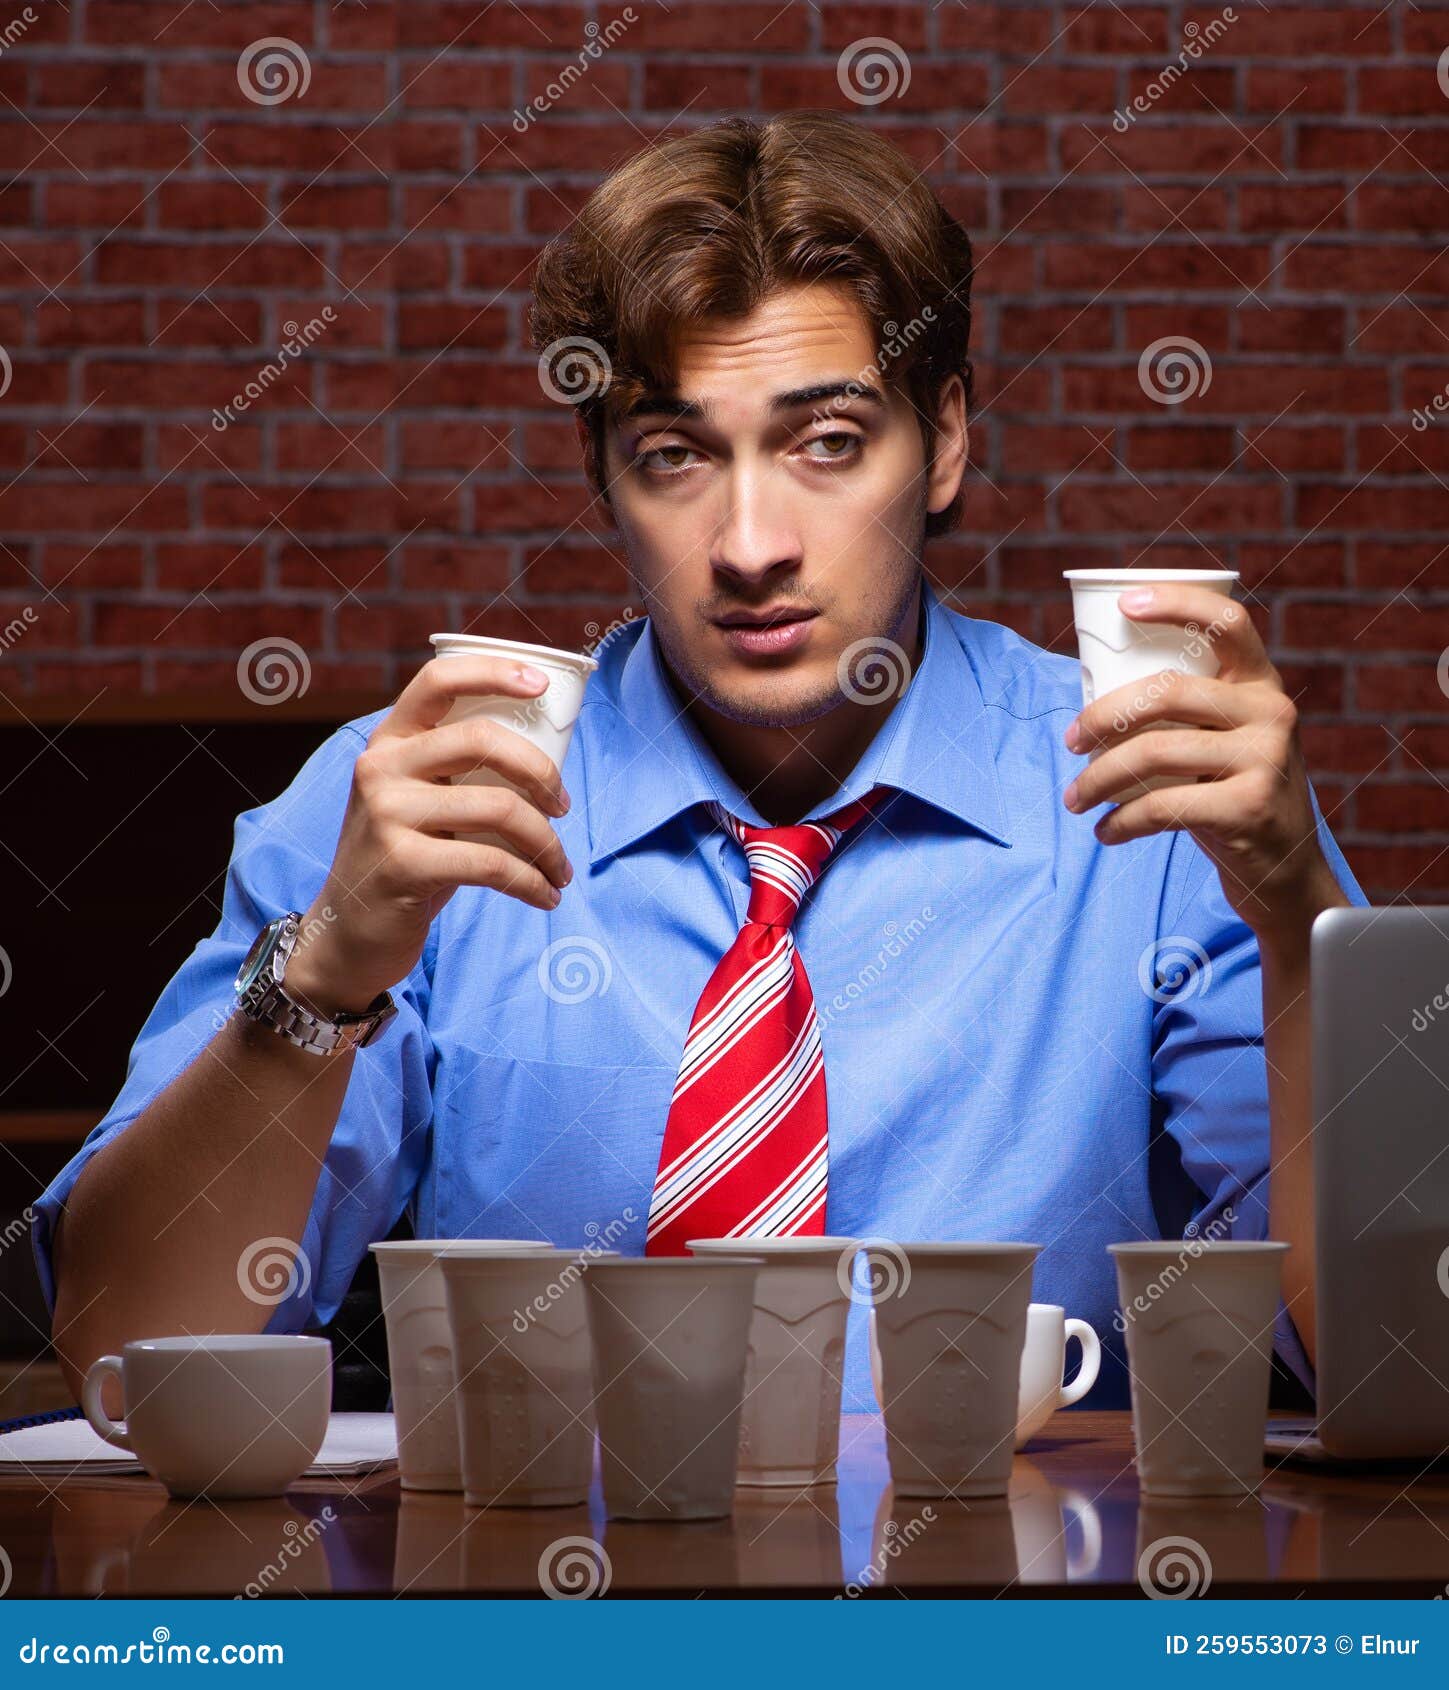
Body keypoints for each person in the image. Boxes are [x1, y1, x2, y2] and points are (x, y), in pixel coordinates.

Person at [36, 111, 1364, 1412]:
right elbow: (122, 1357)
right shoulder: (411, 800)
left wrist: (1299, 915)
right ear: (603, 474)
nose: (746, 542)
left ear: (945, 439)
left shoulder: (1159, 802)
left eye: (827, 442)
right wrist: (321, 977)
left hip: (1014, 1603)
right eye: (673, 454)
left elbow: (1383, 1365)